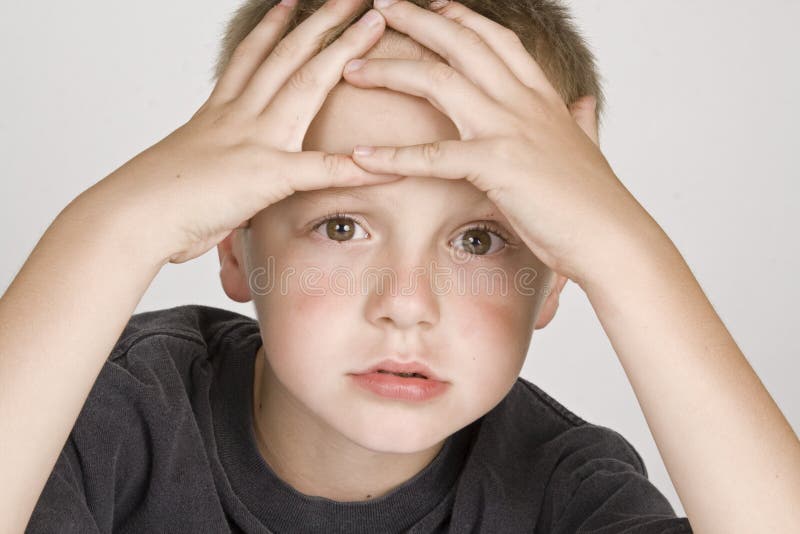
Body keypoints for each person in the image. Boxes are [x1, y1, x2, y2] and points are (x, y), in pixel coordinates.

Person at [2, 0, 798, 532]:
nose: (407, 305)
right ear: (233, 242)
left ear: (558, 273)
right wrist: (112, 227)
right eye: (341, 225)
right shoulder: (104, 411)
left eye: (479, 240)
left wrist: (628, 254)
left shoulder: (565, 489)